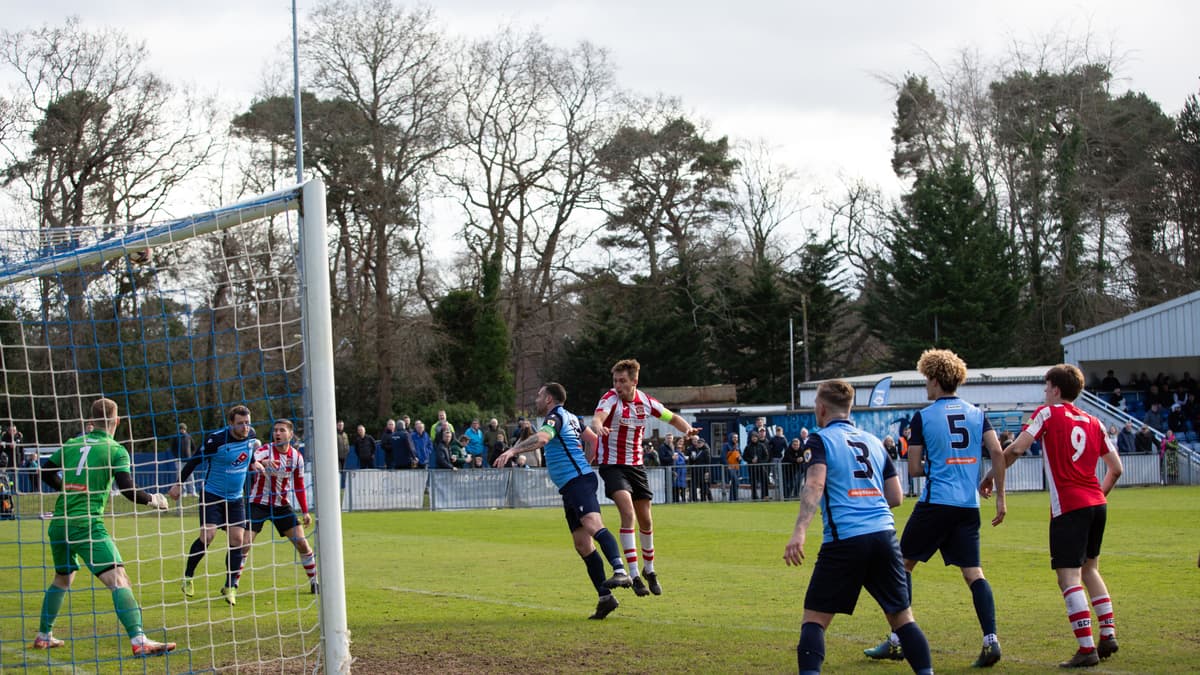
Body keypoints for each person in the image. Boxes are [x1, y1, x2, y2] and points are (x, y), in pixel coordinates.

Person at [864, 349, 1006, 668]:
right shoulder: (977, 412)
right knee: (973, 573)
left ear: (937, 380)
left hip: (936, 503)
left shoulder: (924, 416)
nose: (926, 385)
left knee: (902, 566)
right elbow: (998, 452)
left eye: (927, 379)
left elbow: (914, 469)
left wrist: (938, 466)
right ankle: (991, 639)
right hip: (968, 507)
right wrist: (999, 496)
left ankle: (898, 639)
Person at [784, 380, 933, 675]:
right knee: (902, 619)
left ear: (822, 408)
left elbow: (815, 483)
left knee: (814, 619)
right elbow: (895, 497)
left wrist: (799, 531)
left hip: (845, 540)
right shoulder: (874, 441)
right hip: (884, 536)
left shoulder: (820, 440)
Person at [980, 364, 1123, 668]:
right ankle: (1108, 633)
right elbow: (1116, 468)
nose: (1044, 393)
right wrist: (1097, 497)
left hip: (1070, 506)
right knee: (1090, 569)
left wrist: (992, 475)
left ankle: (1087, 648)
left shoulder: (1047, 413)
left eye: (1046, 388)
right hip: (1097, 503)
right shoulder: (1094, 421)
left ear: (1055, 389)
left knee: (1068, 577)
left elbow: (1017, 449)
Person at [30, 398, 176, 656]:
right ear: (117, 421)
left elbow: (45, 472)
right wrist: (154, 500)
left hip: (59, 524)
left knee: (63, 578)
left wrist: (67, 488)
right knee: (119, 580)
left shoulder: (73, 443)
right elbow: (128, 489)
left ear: (91, 422)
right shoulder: (115, 449)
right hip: (86, 524)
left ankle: (44, 635)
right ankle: (139, 640)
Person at [493, 382, 631, 619]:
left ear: (548, 399)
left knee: (592, 525)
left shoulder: (555, 417)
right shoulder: (572, 417)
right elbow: (593, 441)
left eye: (539, 396)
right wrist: (586, 462)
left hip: (577, 481)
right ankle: (605, 597)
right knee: (582, 544)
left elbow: (544, 438)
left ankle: (620, 570)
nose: (536, 400)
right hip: (573, 484)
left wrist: (512, 451)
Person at [592, 358, 699, 597]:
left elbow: (671, 417)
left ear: (634, 382)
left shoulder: (646, 402)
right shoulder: (610, 399)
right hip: (613, 465)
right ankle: (633, 574)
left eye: (622, 381)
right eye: (615, 381)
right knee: (627, 513)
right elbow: (599, 416)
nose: (617, 386)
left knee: (646, 520)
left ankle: (649, 570)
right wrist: (598, 426)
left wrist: (687, 430)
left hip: (636, 466)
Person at [169, 405, 265, 606]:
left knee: (238, 539)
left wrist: (254, 463)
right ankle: (188, 576)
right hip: (212, 495)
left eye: (247, 423)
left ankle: (230, 586)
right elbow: (194, 461)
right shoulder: (216, 440)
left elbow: (250, 453)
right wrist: (178, 484)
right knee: (208, 536)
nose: (245, 427)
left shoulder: (252, 436)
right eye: (240, 423)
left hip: (236, 498)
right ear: (231, 423)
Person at [240, 419, 318, 594]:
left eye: (282, 430)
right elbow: (252, 461)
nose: (277, 433)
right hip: (258, 503)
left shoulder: (297, 457)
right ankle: (232, 585)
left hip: (281, 505)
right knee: (244, 544)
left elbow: (299, 485)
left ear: (290, 434)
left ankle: (314, 581)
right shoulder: (265, 450)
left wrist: (305, 511)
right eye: (275, 430)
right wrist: (261, 464)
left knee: (302, 543)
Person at [744, 429, 771, 500]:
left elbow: (766, 456)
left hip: (761, 467)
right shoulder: (748, 447)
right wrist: (751, 460)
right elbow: (745, 456)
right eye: (753, 437)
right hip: (752, 467)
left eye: (755, 437)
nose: (754, 438)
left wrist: (760, 461)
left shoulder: (762, 446)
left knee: (764, 481)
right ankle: (754, 497)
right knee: (753, 483)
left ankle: (765, 496)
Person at [170, 423, 196, 496]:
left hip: (188, 460)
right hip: (179, 460)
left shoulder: (189, 437)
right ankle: (183, 492)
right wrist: (176, 456)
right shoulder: (176, 437)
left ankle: (192, 492)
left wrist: (191, 456)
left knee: (190, 476)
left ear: (185, 429)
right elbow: (173, 448)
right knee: (180, 477)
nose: (182, 430)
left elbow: (193, 448)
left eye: (183, 429)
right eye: (181, 429)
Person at [687, 435, 712, 502]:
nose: (698, 444)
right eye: (698, 443)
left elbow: (708, 461)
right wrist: (692, 457)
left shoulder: (706, 450)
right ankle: (700, 499)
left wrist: (707, 471)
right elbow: (693, 460)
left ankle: (708, 498)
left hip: (703, 470)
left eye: (700, 443)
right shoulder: (697, 450)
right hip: (697, 471)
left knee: (705, 485)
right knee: (701, 485)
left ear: (703, 443)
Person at [724, 433, 742, 502]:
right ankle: (733, 498)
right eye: (734, 437)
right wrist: (727, 465)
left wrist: (739, 459)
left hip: (736, 467)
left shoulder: (737, 446)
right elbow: (723, 456)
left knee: (736, 483)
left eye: (737, 437)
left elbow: (740, 455)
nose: (735, 439)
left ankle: (735, 498)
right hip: (730, 467)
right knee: (734, 482)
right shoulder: (726, 445)